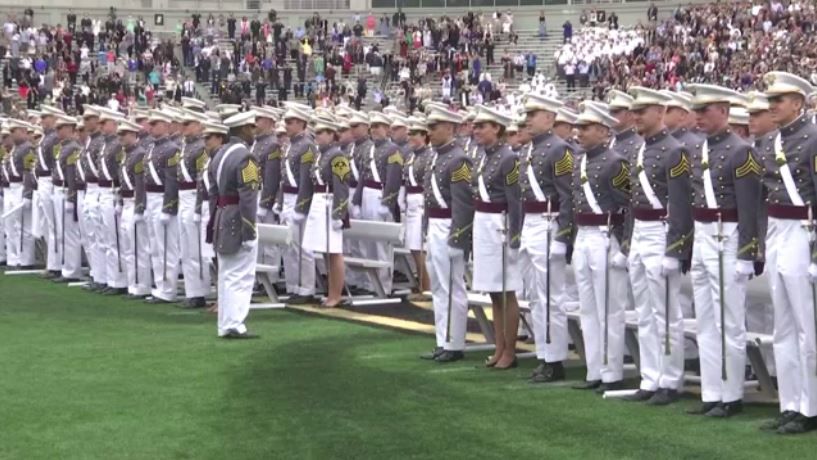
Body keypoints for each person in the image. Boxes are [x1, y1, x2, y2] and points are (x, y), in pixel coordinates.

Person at [685, 83, 762, 418]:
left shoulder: (740, 151)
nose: (699, 117)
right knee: (705, 319)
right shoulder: (698, 150)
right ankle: (711, 390)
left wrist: (748, 252)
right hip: (703, 235)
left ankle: (730, 394)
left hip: (726, 234)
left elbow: (750, 208)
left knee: (728, 319)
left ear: (725, 111)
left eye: (706, 110)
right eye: (697, 111)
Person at [621, 87, 693, 405]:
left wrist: (675, 248)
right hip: (640, 231)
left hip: (661, 232)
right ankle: (650, 376)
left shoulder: (674, 151)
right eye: (634, 111)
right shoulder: (639, 150)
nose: (636, 116)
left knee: (666, 312)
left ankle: (670, 379)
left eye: (643, 110)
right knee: (645, 312)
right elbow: (629, 201)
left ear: (660, 112)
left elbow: (680, 204)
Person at [759, 72, 817, 434]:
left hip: (804, 232)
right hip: (778, 231)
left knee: (806, 327)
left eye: (778, 100)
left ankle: (811, 407)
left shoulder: (813, 139)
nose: (772, 106)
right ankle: (790, 403)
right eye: (770, 101)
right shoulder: (768, 142)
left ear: (798, 102)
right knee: (783, 325)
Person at [570, 101, 630, 393]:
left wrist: (624, 244)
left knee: (610, 308)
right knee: (588, 308)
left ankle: (612, 371)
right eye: (579, 127)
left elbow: (627, 205)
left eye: (586, 128)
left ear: (603, 131)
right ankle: (594, 369)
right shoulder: (579, 161)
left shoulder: (615, 162)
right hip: (583, 235)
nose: (579, 133)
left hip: (606, 236)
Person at [519, 93, 574, 383]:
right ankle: (543, 353)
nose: (528, 118)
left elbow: (568, 195)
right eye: (527, 114)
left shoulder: (560, 150)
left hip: (548, 223)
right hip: (531, 224)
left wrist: (563, 235)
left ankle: (555, 359)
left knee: (551, 296)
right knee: (536, 297)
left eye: (534, 113)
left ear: (550, 118)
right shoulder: (530, 150)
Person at [471, 105, 522, 370]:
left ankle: (510, 350)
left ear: (497, 129)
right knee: (493, 291)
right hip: (483, 224)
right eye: (476, 126)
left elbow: (515, 201)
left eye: (482, 126)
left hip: (499, 225)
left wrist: (515, 237)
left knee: (506, 290)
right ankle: (499, 346)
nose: (476, 130)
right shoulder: (483, 157)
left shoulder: (508, 158)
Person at [420, 105, 471, 363]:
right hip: (435, 225)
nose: (430, 131)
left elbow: (462, 203)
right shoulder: (434, 156)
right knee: (439, 287)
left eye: (434, 126)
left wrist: (458, 236)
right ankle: (443, 339)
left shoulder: (458, 159)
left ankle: (455, 342)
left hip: (449, 225)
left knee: (452, 286)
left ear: (450, 128)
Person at [207, 112, 260, 339]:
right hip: (237, 218)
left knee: (227, 274)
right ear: (244, 130)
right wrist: (249, 229)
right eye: (251, 128)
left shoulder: (218, 155)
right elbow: (248, 197)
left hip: (221, 215)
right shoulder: (245, 157)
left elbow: (211, 192)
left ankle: (226, 322)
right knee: (240, 275)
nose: (254, 132)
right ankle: (235, 323)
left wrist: (213, 221)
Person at [302, 114, 351, 308]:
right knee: (325, 251)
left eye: (322, 132)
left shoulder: (337, 156)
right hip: (318, 202)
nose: (318, 136)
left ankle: (336, 294)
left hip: (330, 203)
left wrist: (339, 213)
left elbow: (341, 186)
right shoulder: (320, 154)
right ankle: (331, 291)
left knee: (334, 251)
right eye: (317, 132)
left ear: (332, 134)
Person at [352, 111, 402, 295]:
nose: (374, 130)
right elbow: (363, 178)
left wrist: (387, 203)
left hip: (380, 196)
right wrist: (356, 201)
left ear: (388, 129)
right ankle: (368, 283)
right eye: (372, 127)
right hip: (367, 194)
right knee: (367, 242)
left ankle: (384, 285)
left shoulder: (393, 150)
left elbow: (393, 179)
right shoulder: (369, 149)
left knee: (381, 244)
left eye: (378, 126)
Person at [144, 108, 183, 304]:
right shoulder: (151, 148)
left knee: (167, 247)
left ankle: (168, 288)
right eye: (150, 124)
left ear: (166, 125)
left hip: (161, 198)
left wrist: (168, 207)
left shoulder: (171, 149)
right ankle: (159, 286)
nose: (151, 127)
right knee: (155, 246)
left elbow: (171, 181)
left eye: (155, 123)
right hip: (151, 198)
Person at [281, 102, 318, 304]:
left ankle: (306, 288)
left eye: (290, 122)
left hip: (298, 199)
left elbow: (306, 180)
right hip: (287, 198)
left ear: (301, 123)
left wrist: (302, 206)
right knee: (290, 246)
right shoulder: (291, 145)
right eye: (286, 121)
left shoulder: (306, 145)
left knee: (304, 247)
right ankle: (294, 285)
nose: (286, 125)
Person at [177, 105, 210, 308]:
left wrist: (198, 207)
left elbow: (201, 180)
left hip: (192, 197)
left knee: (196, 249)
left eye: (187, 124)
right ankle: (192, 290)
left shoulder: (200, 148)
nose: (183, 127)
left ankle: (199, 292)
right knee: (187, 248)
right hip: (183, 197)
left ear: (199, 125)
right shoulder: (186, 146)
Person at [117, 118, 152, 300]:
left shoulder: (138, 154)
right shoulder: (127, 153)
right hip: (126, 202)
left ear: (133, 134)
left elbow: (140, 184)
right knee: (129, 248)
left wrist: (140, 207)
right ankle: (133, 284)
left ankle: (141, 285)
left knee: (139, 247)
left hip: (134, 202)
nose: (120, 137)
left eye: (123, 134)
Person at [97, 108, 128, 295]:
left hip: (112, 190)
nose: (101, 127)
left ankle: (118, 280)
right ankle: (110, 278)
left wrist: (120, 196)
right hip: (102, 191)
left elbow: (119, 172)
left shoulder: (117, 145)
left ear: (114, 124)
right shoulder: (105, 144)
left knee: (115, 239)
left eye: (104, 123)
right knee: (106, 238)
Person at [401, 115, 433, 298]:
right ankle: (422, 284)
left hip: (422, 201)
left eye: (414, 134)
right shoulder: (411, 156)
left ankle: (426, 287)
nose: (410, 137)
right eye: (410, 133)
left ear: (424, 135)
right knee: (413, 246)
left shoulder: (429, 156)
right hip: (411, 201)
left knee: (420, 246)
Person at [79, 106, 107, 290]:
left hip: (98, 188)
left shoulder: (101, 142)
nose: (87, 122)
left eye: (91, 118)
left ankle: (103, 276)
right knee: (91, 236)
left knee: (101, 237)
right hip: (89, 188)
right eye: (86, 118)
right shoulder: (90, 141)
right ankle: (96, 273)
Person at [253, 106, 284, 275]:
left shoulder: (272, 145)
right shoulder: (257, 143)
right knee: (257, 239)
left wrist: (265, 203)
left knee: (270, 240)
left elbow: (271, 177)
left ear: (270, 122)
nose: (255, 123)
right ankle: (260, 278)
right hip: (254, 193)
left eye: (259, 119)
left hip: (265, 195)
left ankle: (271, 277)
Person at [53, 114, 83, 282]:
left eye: (60, 128)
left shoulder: (72, 147)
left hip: (66, 191)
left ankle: (72, 270)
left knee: (70, 233)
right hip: (58, 190)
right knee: (62, 231)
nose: (58, 132)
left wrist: (72, 197)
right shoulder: (63, 146)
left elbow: (72, 175)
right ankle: (66, 268)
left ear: (69, 129)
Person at [4, 118, 37, 268]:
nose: (11, 135)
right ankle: (13, 257)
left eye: (14, 131)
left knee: (23, 225)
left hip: (20, 187)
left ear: (23, 131)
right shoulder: (15, 149)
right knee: (11, 225)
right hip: (11, 187)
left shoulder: (27, 148)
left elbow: (28, 172)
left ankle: (25, 260)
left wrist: (27, 193)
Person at [36, 105, 64, 279]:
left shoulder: (54, 139)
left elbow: (56, 163)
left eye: (46, 117)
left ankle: (55, 264)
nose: (43, 120)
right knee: (48, 224)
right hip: (42, 180)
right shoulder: (47, 138)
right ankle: (52, 262)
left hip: (49, 180)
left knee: (54, 225)